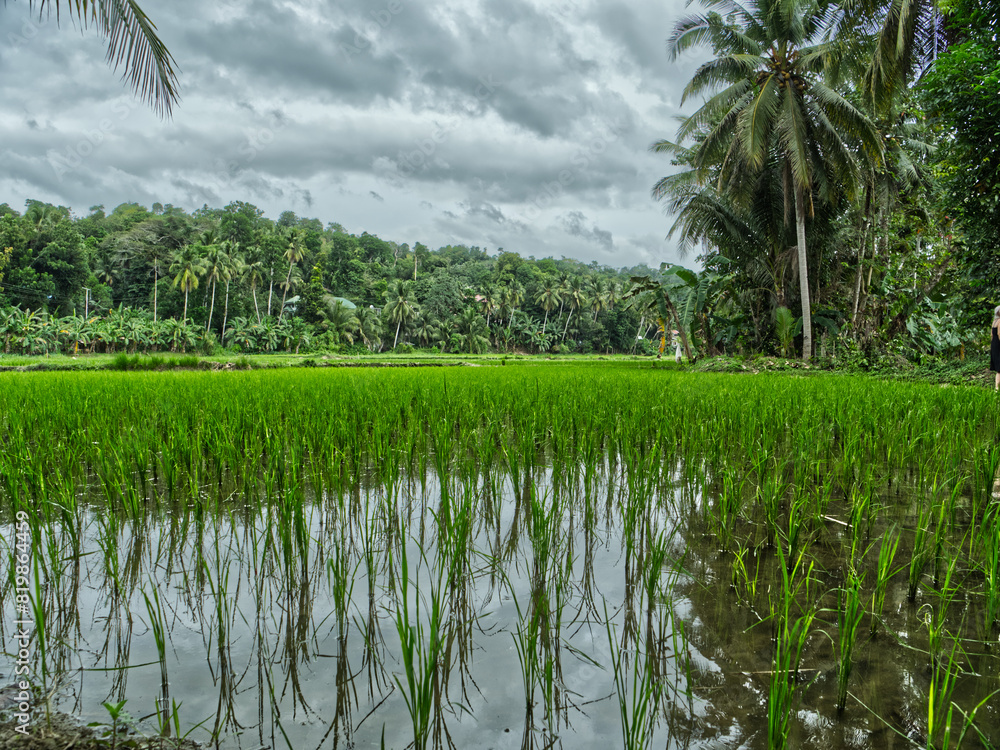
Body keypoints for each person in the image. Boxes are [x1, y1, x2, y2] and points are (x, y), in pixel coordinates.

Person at [991, 305, 1000, 390]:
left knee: (998, 369)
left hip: (994, 344)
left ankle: (996, 388)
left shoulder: (994, 321)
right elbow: (999, 334)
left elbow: (992, 335)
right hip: (998, 344)